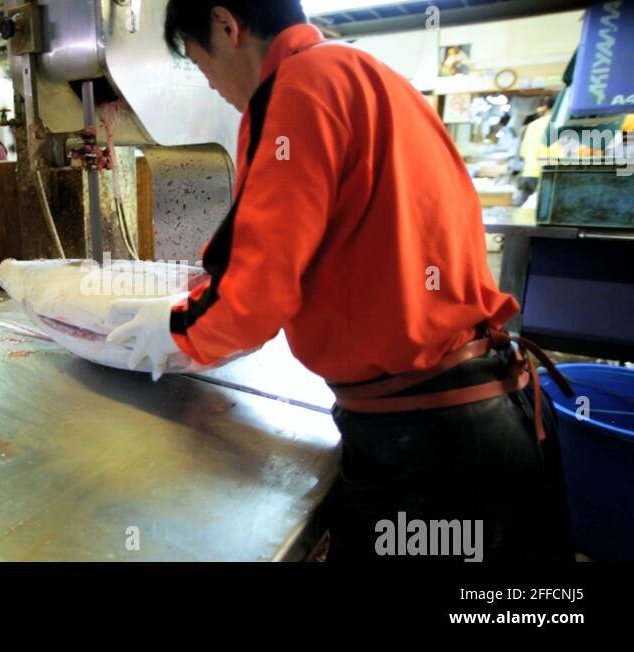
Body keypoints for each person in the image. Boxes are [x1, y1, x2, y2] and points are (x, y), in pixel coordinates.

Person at [106, 2, 573, 561]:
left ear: (227, 27)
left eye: (202, 65)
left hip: (427, 453)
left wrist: (174, 326)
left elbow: (256, 291)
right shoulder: (364, 72)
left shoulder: (296, 88)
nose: (212, 86)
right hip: (482, 417)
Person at [518, 98, 553, 201]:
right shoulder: (561, 125)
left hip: (528, 174)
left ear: (546, 107)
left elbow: (523, 152)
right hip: (549, 176)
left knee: (523, 213)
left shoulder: (533, 125)